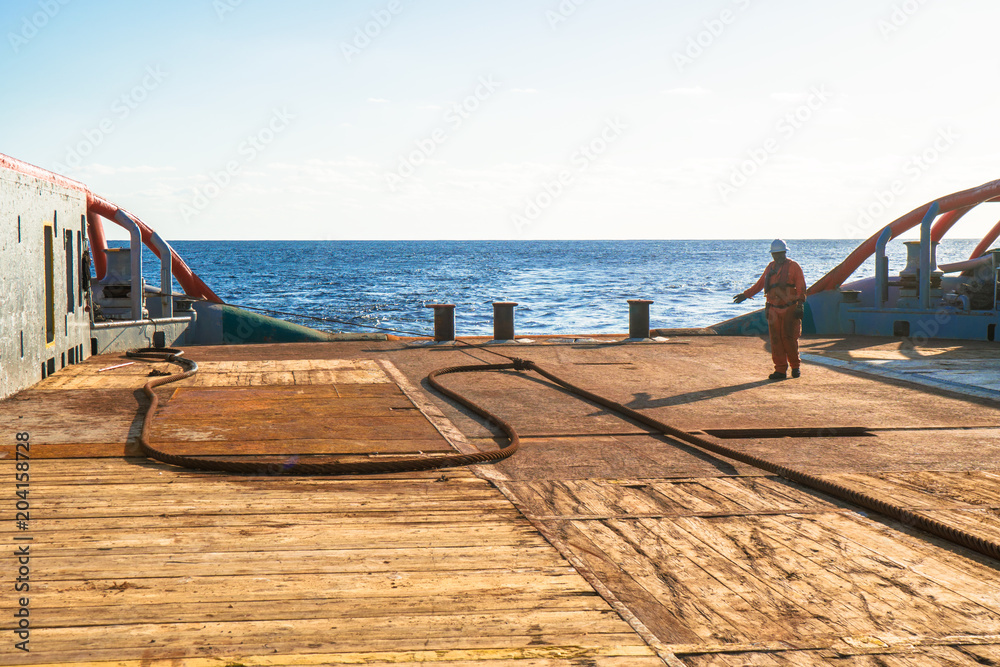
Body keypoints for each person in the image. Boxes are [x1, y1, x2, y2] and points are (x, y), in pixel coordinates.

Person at [733, 239, 806, 380]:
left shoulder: (794, 267)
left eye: (780, 253)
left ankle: (795, 367)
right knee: (776, 340)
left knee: (789, 339)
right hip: (773, 309)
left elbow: (801, 287)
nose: (777, 257)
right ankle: (780, 370)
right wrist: (746, 295)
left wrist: (800, 304)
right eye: (775, 254)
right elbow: (760, 284)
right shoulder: (770, 268)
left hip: (789, 308)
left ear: (785, 253)